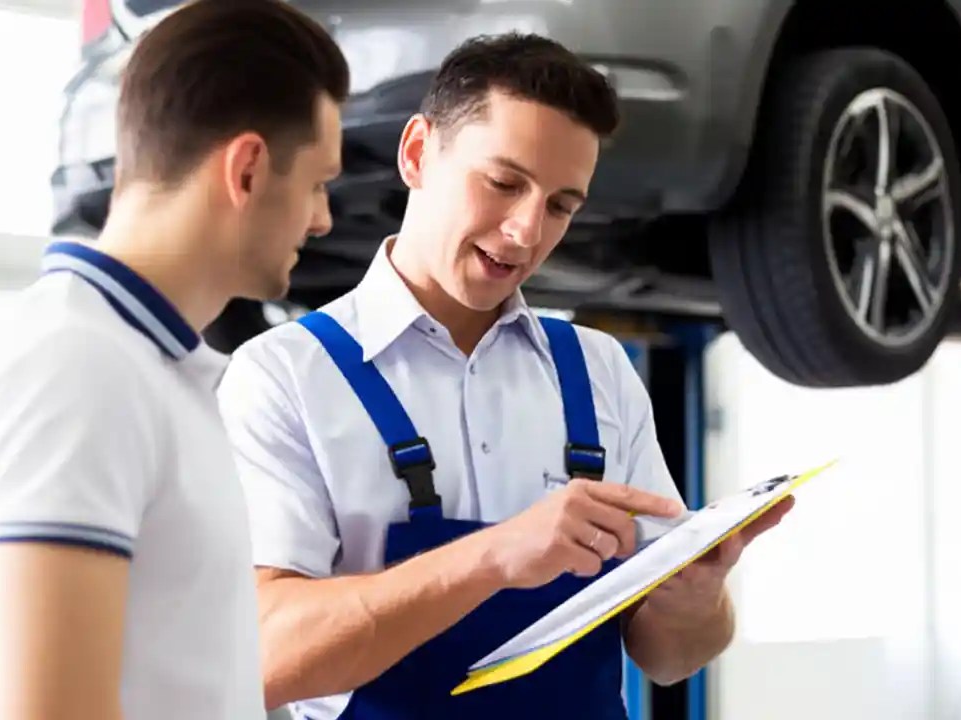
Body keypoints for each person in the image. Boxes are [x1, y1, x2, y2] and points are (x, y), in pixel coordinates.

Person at [217, 32, 794, 719]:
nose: (526, 231)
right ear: (417, 153)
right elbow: (267, 656)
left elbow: (671, 658)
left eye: (561, 205)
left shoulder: (600, 372)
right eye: (503, 183)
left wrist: (694, 594)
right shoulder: (284, 376)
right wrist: (495, 556)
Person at [0, 2, 347, 718]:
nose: (322, 220)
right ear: (248, 169)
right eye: (318, 184)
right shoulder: (79, 369)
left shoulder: (151, 370)